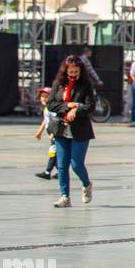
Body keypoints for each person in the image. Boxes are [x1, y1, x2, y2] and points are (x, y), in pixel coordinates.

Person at [46, 54, 96, 208]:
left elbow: (90, 107)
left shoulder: (86, 85)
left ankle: (86, 184)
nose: (73, 74)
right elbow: (51, 104)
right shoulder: (58, 84)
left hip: (80, 130)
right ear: (65, 70)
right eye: (70, 72)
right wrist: (67, 106)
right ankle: (64, 197)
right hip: (61, 129)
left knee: (76, 164)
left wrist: (77, 109)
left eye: (76, 72)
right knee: (61, 165)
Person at [33, 86, 58, 179]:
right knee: (56, 154)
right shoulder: (47, 108)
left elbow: (56, 121)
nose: (44, 98)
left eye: (47, 96)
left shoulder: (52, 108)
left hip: (56, 135)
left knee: (53, 153)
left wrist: (53, 133)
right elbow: (45, 120)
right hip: (53, 135)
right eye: (42, 96)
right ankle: (61, 171)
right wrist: (39, 132)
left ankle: (48, 172)